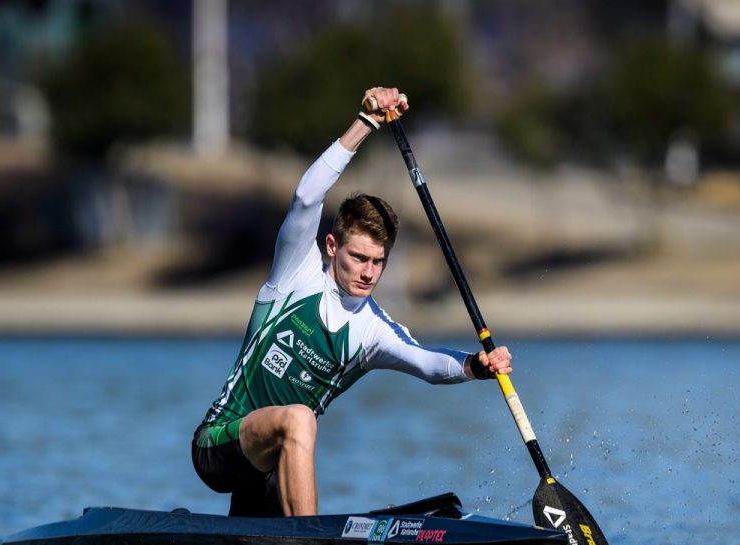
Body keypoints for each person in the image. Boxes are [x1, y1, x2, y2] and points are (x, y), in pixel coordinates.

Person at [192, 86, 512, 517]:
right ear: (330, 246)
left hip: (271, 470)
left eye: (378, 262)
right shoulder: (294, 274)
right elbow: (307, 196)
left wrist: (477, 366)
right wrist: (366, 124)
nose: (367, 272)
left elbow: (427, 364)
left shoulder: (372, 331)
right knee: (299, 418)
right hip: (218, 445)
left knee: (290, 442)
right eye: (358, 257)